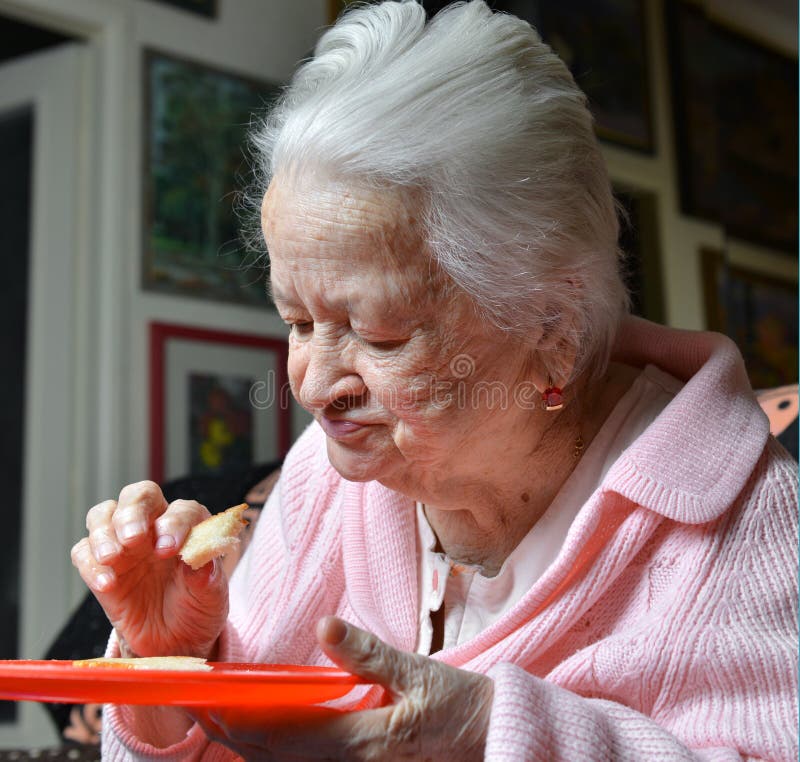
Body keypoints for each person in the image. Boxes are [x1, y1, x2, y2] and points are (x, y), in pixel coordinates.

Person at [70, 2, 798, 759]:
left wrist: (493, 735)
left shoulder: (740, 521)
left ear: (553, 330)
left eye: (378, 334)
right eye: (296, 321)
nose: (316, 387)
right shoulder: (326, 476)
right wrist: (173, 673)